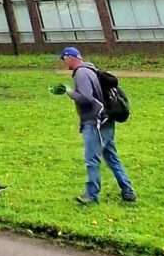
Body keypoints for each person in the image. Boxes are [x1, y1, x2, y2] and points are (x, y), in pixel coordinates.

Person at [56, 46, 136, 205]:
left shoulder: (81, 73)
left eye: (64, 59)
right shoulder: (91, 70)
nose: (64, 63)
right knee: (112, 158)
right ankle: (127, 190)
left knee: (91, 160)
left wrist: (69, 92)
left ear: (70, 57)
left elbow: (86, 97)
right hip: (106, 120)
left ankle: (91, 195)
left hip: (95, 123)